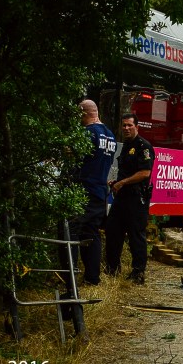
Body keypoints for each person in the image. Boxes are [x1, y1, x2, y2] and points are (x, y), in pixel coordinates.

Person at [62, 100, 116, 286]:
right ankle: (92, 278)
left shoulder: (87, 133)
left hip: (82, 190)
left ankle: (69, 278)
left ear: (83, 113)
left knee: (71, 232)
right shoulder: (110, 135)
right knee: (91, 234)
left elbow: (70, 154)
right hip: (100, 192)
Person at [105, 113, 155, 285]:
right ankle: (112, 269)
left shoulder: (143, 146)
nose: (126, 128)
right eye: (124, 125)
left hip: (136, 198)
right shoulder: (126, 146)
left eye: (129, 125)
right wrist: (116, 182)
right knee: (112, 231)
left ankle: (138, 273)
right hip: (121, 198)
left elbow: (144, 173)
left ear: (137, 126)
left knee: (136, 236)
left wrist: (123, 183)